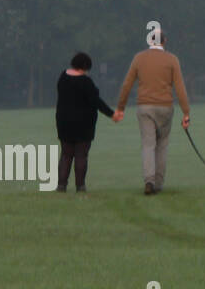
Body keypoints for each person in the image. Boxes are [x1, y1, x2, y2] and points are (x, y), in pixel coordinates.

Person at [115, 28, 191, 195]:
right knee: (162, 145)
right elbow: (180, 87)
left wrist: (121, 107)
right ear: (164, 41)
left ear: (149, 41)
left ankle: (148, 180)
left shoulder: (139, 58)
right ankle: (158, 183)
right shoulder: (172, 60)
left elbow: (127, 85)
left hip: (145, 107)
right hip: (165, 107)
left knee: (148, 145)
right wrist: (186, 112)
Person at [55, 52, 120, 192]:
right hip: (83, 124)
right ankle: (80, 186)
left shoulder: (63, 77)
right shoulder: (86, 82)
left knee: (66, 154)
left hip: (64, 122)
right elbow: (96, 101)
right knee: (81, 155)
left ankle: (61, 185)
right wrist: (112, 114)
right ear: (85, 66)